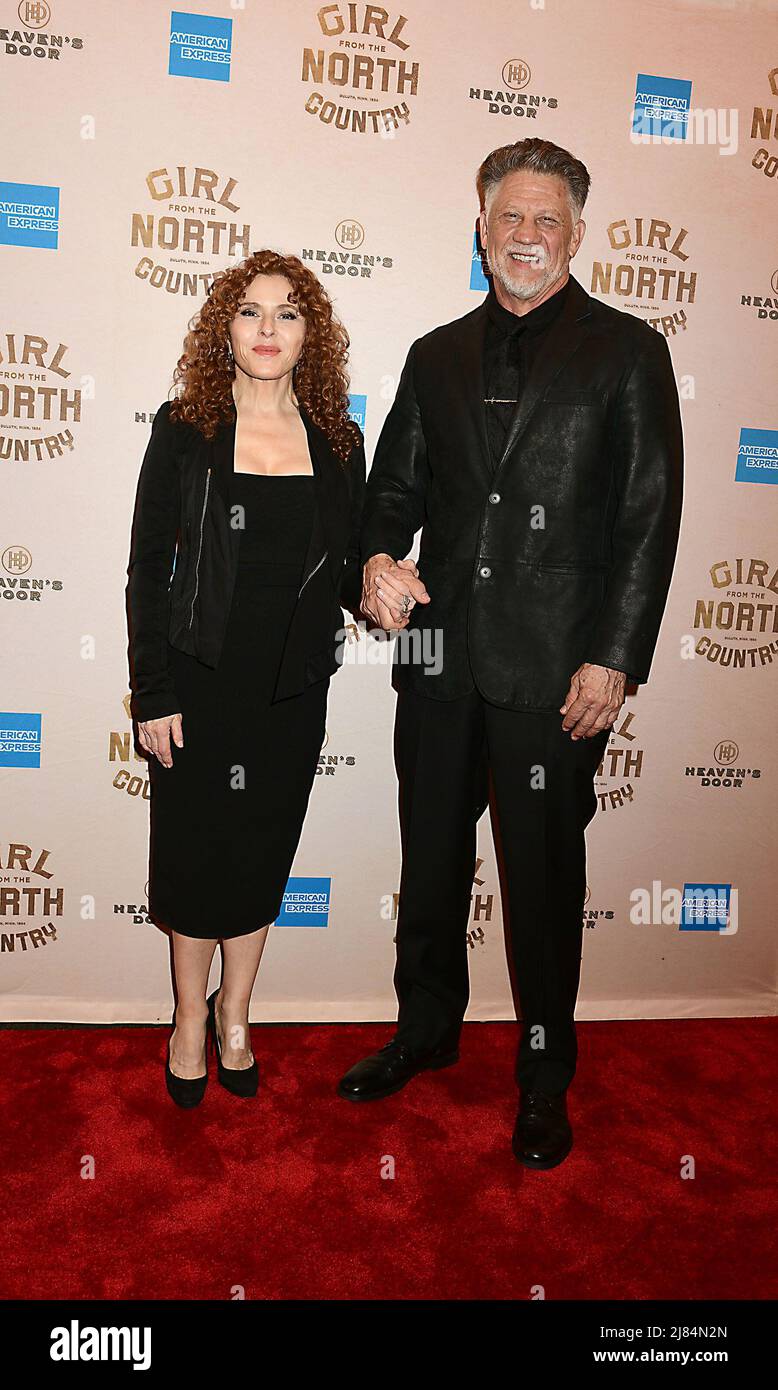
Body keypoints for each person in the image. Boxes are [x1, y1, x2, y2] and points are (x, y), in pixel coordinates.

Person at [337, 138, 684, 1169]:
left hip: (557, 667)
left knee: (540, 878)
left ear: (575, 235)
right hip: (440, 651)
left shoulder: (627, 351)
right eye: (509, 219)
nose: (526, 237)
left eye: (547, 221)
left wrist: (614, 654)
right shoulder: (434, 353)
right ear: (479, 232)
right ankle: (425, 1030)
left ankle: (543, 1075)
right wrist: (372, 558)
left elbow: (646, 518)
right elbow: (394, 490)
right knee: (430, 857)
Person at [126, 249, 381, 1108]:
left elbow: (343, 570)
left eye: (288, 312)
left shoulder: (337, 440)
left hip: (290, 688)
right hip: (199, 683)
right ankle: (187, 1021)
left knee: (263, 850)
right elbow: (146, 572)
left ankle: (237, 1011)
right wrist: (152, 691)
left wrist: (381, 588)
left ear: (312, 333)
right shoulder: (184, 429)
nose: (268, 329)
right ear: (223, 329)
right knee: (198, 858)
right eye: (250, 312)